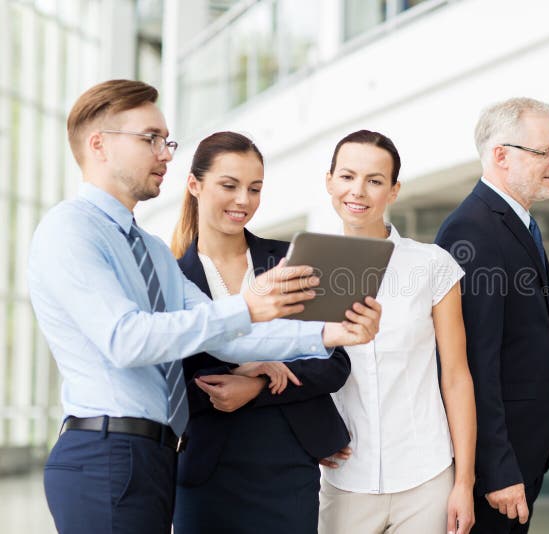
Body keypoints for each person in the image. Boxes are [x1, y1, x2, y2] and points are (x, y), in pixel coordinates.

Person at [28, 80, 381, 534]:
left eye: (167, 141)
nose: (165, 155)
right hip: (105, 451)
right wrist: (246, 306)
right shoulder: (70, 229)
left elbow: (229, 337)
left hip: (155, 457)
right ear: (99, 145)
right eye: (151, 139)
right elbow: (125, 339)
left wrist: (331, 333)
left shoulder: (151, 251)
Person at [169, 131, 353, 533]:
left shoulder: (291, 261)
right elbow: (168, 373)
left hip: (287, 461)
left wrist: (257, 386)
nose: (243, 200)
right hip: (206, 466)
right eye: (229, 186)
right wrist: (234, 375)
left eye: (254, 189)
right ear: (195, 185)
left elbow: (335, 362)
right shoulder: (172, 276)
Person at [317, 130, 477, 534]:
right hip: (343, 478)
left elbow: (456, 376)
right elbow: (297, 369)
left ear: (393, 190)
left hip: (425, 475)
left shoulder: (431, 265)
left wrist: (464, 482)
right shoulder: (307, 269)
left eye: (374, 180)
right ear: (329, 182)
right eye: (347, 176)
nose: (358, 191)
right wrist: (311, 436)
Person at [435, 97, 549, 533]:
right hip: (499, 468)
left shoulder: (520, 223)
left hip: (523, 452)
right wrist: (496, 469)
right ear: (501, 155)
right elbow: (473, 361)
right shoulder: (472, 229)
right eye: (545, 151)